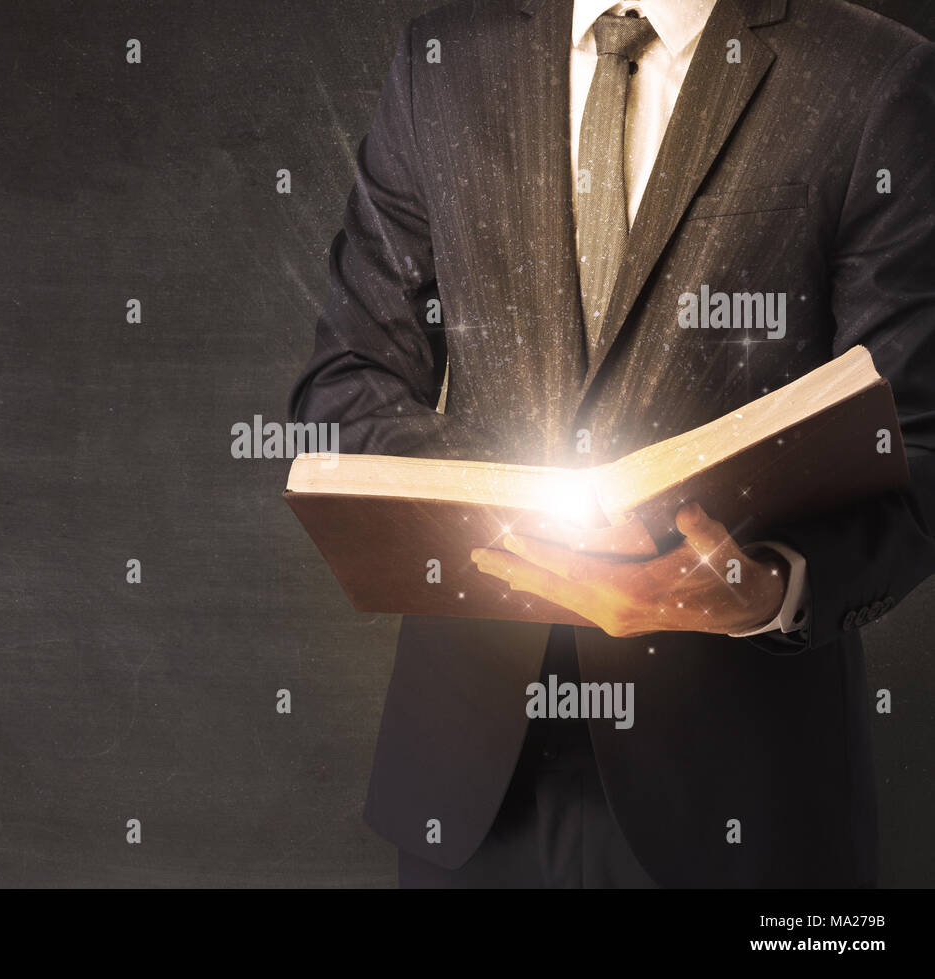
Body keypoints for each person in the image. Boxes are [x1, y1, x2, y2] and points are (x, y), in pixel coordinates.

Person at [289, 0, 935, 887]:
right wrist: (516, 508)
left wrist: (765, 589)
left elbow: (917, 443)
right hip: (472, 791)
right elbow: (345, 383)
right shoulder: (440, 60)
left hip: (750, 798)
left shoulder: (876, 77)